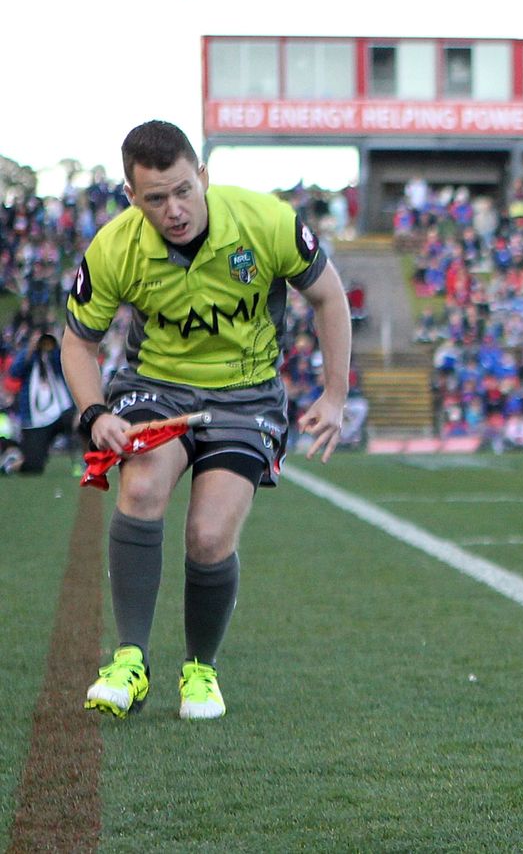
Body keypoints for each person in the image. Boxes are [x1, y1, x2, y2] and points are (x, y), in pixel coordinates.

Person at [61, 120, 352, 721]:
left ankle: (199, 670)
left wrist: (335, 394)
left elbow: (329, 296)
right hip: (155, 389)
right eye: (155, 198)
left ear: (204, 177)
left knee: (210, 535)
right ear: (131, 198)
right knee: (140, 487)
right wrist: (94, 415)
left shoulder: (267, 221)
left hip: (246, 398)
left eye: (182, 190)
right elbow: (76, 342)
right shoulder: (114, 247)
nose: (174, 209)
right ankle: (130, 662)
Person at [7, 328, 77, 474]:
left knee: (83, 421)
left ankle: (88, 462)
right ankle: (10, 465)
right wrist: (30, 349)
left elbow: (67, 365)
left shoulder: (54, 357)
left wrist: (57, 344)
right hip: (36, 420)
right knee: (33, 467)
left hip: (61, 412)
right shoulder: (29, 357)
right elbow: (14, 372)